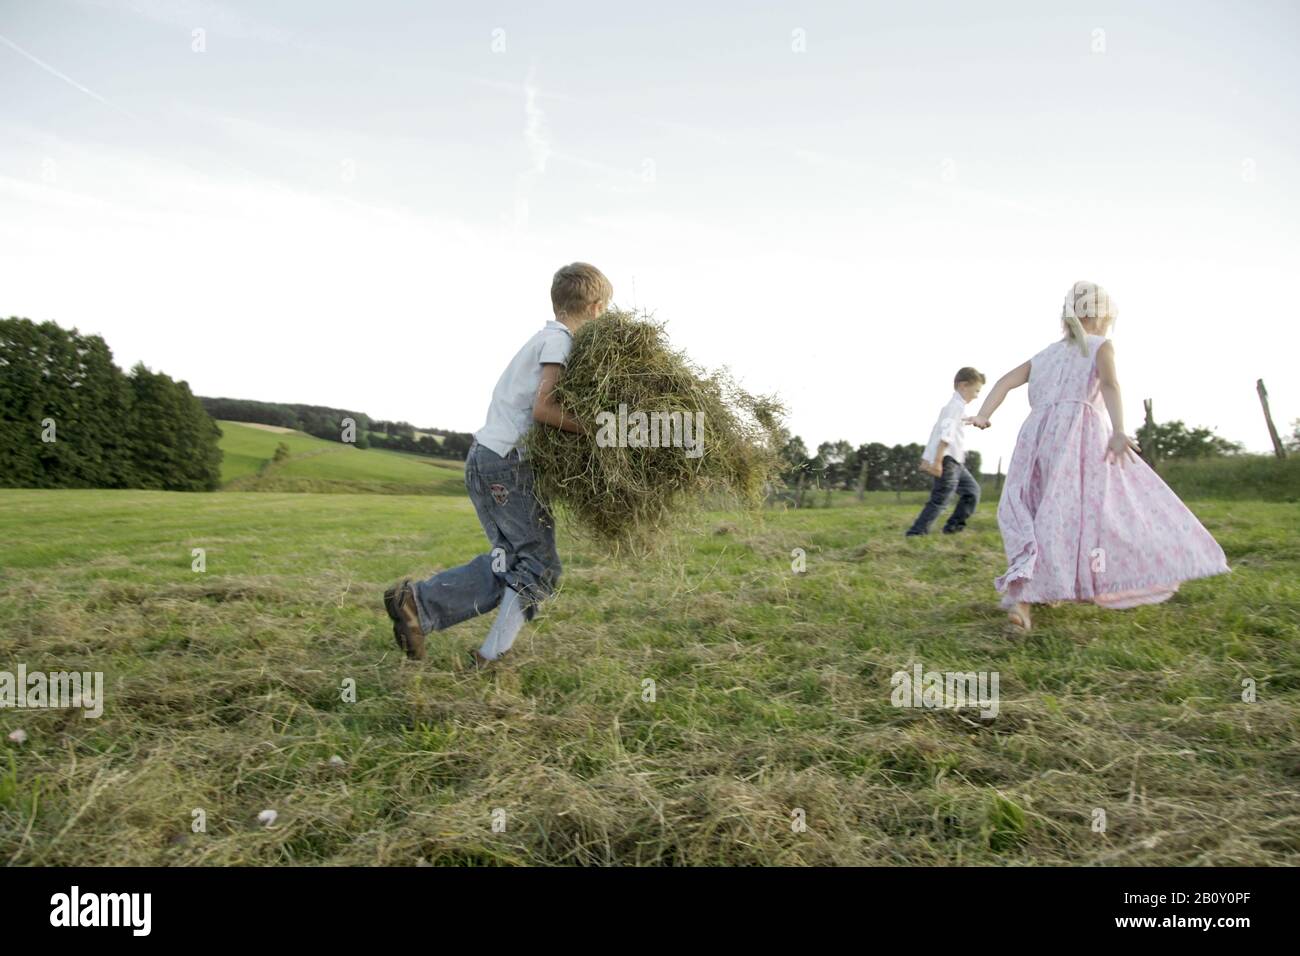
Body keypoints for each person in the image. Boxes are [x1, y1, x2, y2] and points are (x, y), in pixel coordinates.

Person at [384, 262, 612, 665]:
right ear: (595, 309)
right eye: (606, 311)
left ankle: (418, 606)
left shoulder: (543, 338)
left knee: (515, 562)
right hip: (505, 464)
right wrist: (595, 430)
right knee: (539, 567)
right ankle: (489, 655)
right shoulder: (559, 343)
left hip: (491, 459)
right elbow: (544, 409)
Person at [967, 280, 1228, 631]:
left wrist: (985, 414)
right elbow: (1110, 386)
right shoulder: (1101, 345)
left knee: (1041, 508)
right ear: (1102, 314)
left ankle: (1038, 591)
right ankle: (1033, 594)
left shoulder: (1045, 354)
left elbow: (1003, 381)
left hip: (1038, 437)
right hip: (1079, 433)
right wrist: (1119, 430)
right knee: (1075, 513)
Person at [906, 367, 986, 536]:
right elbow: (945, 435)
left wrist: (974, 420)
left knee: (972, 491)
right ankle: (916, 533)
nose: (977, 395)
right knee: (940, 499)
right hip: (947, 461)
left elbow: (944, 430)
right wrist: (936, 461)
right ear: (964, 385)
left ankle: (953, 528)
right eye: (976, 390)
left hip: (956, 462)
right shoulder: (954, 407)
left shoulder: (957, 407)